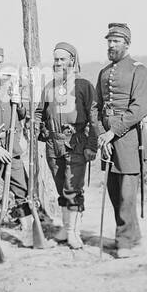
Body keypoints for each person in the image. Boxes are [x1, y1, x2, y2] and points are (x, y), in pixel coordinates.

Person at [37, 42, 101, 249]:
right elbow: (39, 113)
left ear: (72, 60)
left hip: (76, 143)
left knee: (73, 188)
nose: (58, 63)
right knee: (60, 188)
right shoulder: (49, 87)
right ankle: (65, 228)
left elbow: (94, 117)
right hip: (53, 144)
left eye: (62, 59)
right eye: (55, 59)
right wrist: (37, 127)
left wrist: (92, 145)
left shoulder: (84, 86)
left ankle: (74, 232)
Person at [95, 23, 147, 259]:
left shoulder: (139, 70)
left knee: (127, 194)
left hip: (129, 140)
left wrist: (112, 131)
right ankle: (133, 235)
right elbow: (95, 107)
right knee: (114, 192)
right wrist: (101, 134)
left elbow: (140, 108)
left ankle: (124, 241)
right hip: (107, 141)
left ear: (127, 43)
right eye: (109, 41)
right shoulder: (104, 72)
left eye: (116, 41)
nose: (111, 45)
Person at [0, 45, 40, 245]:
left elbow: (20, 116)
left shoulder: (9, 84)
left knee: (22, 189)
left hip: (12, 148)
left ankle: (29, 231)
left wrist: (18, 103)